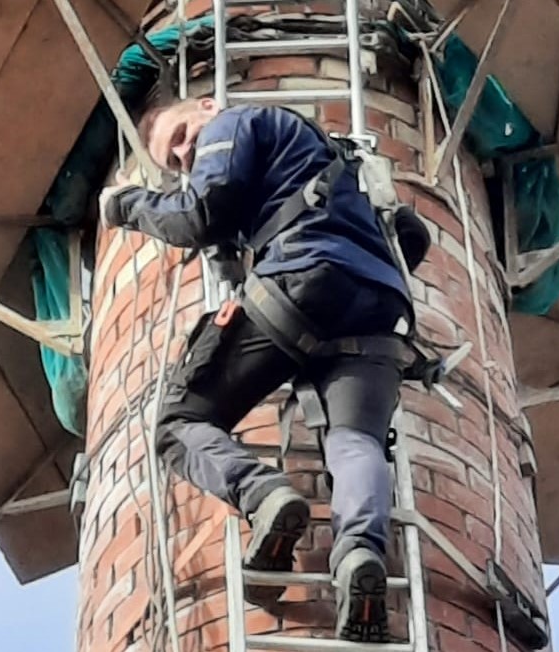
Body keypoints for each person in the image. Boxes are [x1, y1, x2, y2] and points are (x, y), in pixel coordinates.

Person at [99, 97, 419, 643]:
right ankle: (357, 555)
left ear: (207, 105)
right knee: (356, 440)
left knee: (178, 421)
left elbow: (199, 216)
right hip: (380, 307)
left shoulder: (235, 122)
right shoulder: (330, 159)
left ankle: (264, 494)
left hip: (302, 280)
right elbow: (414, 236)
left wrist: (126, 204)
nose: (185, 154)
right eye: (173, 160)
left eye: (182, 135)